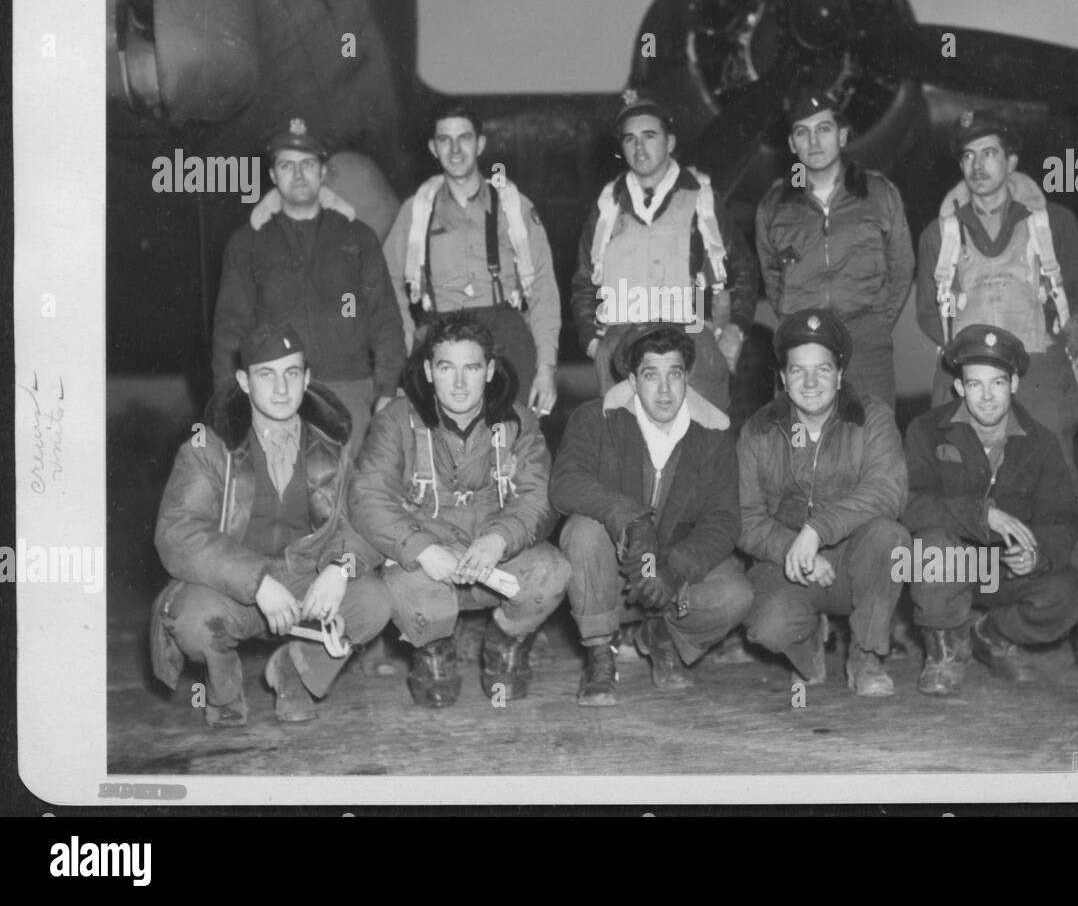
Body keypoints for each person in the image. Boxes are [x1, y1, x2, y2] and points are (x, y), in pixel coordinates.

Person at [915, 109, 1078, 669]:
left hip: (1042, 375)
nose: (979, 166)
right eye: (968, 156)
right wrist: (974, 362)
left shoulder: (1054, 222)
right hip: (968, 377)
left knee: (1060, 497)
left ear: (1011, 160)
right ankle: (952, 625)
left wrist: (1068, 327)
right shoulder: (941, 233)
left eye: (990, 153)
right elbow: (929, 316)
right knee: (957, 496)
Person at [150, 323, 392, 727]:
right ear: (244, 381)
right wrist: (257, 581)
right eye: (267, 374)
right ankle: (224, 690)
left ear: (308, 379)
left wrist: (340, 567)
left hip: (306, 581)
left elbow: (363, 521)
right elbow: (178, 530)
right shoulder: (208, 446)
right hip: (232, 590)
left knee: (373, 601)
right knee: (191, 620)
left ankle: (293, 673)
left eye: (292, 373)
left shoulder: (331, 447)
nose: (281, 389)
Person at [348, 311, 569, 708]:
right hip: (429, 565)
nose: (461, 382)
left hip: (492, 559)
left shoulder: (518, 421)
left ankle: (505, 640)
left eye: (472, 367)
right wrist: (421, 547)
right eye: (447, 368)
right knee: (404, 585)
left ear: (490, 370)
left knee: (552, 572)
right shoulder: (395, 421)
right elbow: (368, 497)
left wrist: (499, 539)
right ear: (430, 371)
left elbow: (537, 497)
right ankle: (433, 648)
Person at [550, 323, 753, 705]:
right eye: (650, 375)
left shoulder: (713, 434)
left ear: (687, 377)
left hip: (672, 577)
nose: (664, 389)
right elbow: (564, 483)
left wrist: (678, 568)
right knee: (581, 531)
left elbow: (724, 520)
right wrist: (629, 517)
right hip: (617, 572)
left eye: (674, 374)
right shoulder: (596, 419)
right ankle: (599, 653)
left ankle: (663, 634)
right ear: (631, 379)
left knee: (734, 595)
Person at [901, 324, 1078, 695]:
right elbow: (910, 502)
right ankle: (943, 650)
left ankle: (991, 634)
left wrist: (1036, 554)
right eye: (975, 384)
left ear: (1014, 385)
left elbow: (1061, 516)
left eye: (997, 383)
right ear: (959, 387)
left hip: (1006, 570)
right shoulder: (926, 430)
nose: (987, 396)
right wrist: (982, 514)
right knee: (931, 546)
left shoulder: (1043, 442)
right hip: (950, 565)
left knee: (1073, 592)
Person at [738, 308, 910, 697]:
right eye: (798, 371)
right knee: (768, 628)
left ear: (840, 373)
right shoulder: (759, 431)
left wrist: (817, 530)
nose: (811, 382)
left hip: (854, 562)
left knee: (891, 538)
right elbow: (745, 518)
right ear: (783, 377)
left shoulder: (873, 417)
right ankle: (806, 648)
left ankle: (866, 655)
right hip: (789, 563)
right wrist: (792, 549)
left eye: (823, 369)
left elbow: (888, 490)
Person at [211, 118, 406, 457]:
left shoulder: (359, 237)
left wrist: (386, 391)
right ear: (273, 175)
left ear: (323, 171)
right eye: (287, 165)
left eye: (308, 165)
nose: (298, 175)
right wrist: (230, 405)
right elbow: (229, 333)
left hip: (351, 397)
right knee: (285, 506)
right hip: (276, 400)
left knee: (350, 502)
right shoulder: (247, 243)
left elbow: (386, 323)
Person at [571, 91, 758, 412]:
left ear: (670, 142)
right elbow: (584, 281)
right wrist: (593, 340)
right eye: (630, 139)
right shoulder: (607, 205)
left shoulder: (701, 198)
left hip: (692, 339)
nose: (639, 147)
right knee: (625, 452)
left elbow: (741, 268)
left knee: (701, 449)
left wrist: (735, 328)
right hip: (621, 344)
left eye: (649, 136)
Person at [383, 101, 562, 416]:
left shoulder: (513, 207)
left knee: (514, 440)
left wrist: (546, 368)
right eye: (444, 140)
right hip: (439, 334)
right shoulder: (416, 212)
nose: (455, 149)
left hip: (504, 334)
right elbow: (387, 286)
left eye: (464, 138)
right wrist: (408, 349)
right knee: (440, 447)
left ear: (480, 144)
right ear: (432, 148)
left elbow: (544, 287)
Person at [755, 87, 914, 409]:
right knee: (802, 449)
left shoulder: (881, 194)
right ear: (791, 144)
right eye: (803, 132)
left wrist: (875, 325)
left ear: (842, 136)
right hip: (801, 343)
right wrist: (796, 319)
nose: (813, 142)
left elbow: (902, 266)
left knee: (873, 443)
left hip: (866, 344)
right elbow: (772, 279)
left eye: (823, 129)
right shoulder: (773, 206)